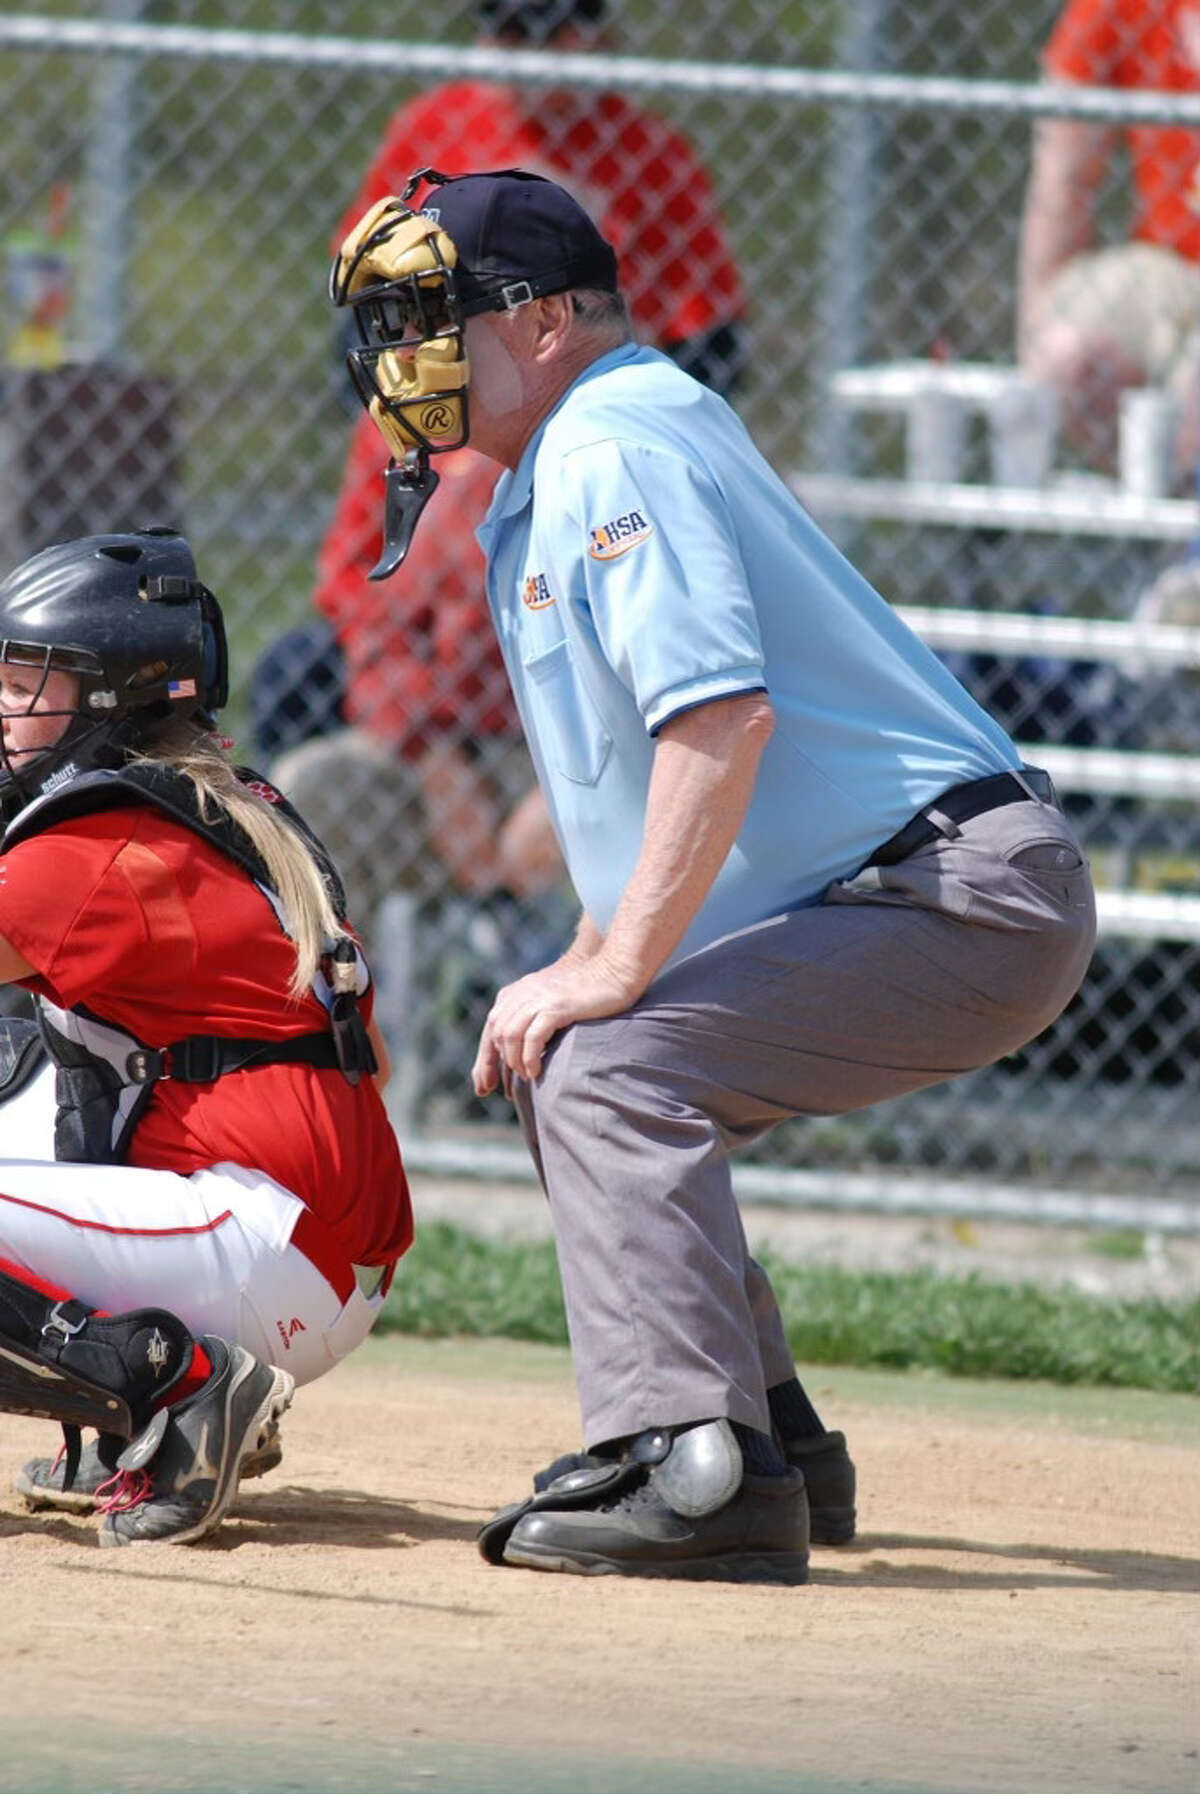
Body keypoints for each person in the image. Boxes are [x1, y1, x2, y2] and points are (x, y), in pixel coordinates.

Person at [330, 170, 1098, 1583]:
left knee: (612, 1066)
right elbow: (643, 801)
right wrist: (588, 963)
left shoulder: (615, 439)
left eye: (434, 314)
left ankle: (702, 1466)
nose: (402, 355)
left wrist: (615, 973)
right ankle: (771, 1435)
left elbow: (719, 720)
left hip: (954, 893)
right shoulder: (552, 471)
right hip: (898, 889)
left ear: (550, 320)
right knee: (580, 1050)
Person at [259, 0, 748, 948]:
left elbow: (717, 345)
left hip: (566, 679)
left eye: (547, 30)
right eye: (504, 30)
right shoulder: (406, 422)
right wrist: (432, 748)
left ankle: (532, 942)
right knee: (293, 679)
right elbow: (363, 592)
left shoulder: (618, 455)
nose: (519, 56)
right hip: (443, 693)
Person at [0, 528, 412, 1547]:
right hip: (299, 1243)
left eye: (29, 684)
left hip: (268, 1246)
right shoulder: (206, 804)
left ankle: (176, 1384)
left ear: (111, 698)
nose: (5, 709)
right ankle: (123, 1414)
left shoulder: (103, 848)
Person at [1017, 0, 1200, 481]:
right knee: (1061, 349)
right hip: (1168, 272)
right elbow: (1064, 177)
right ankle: (1166, 521)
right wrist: (1035, 333)